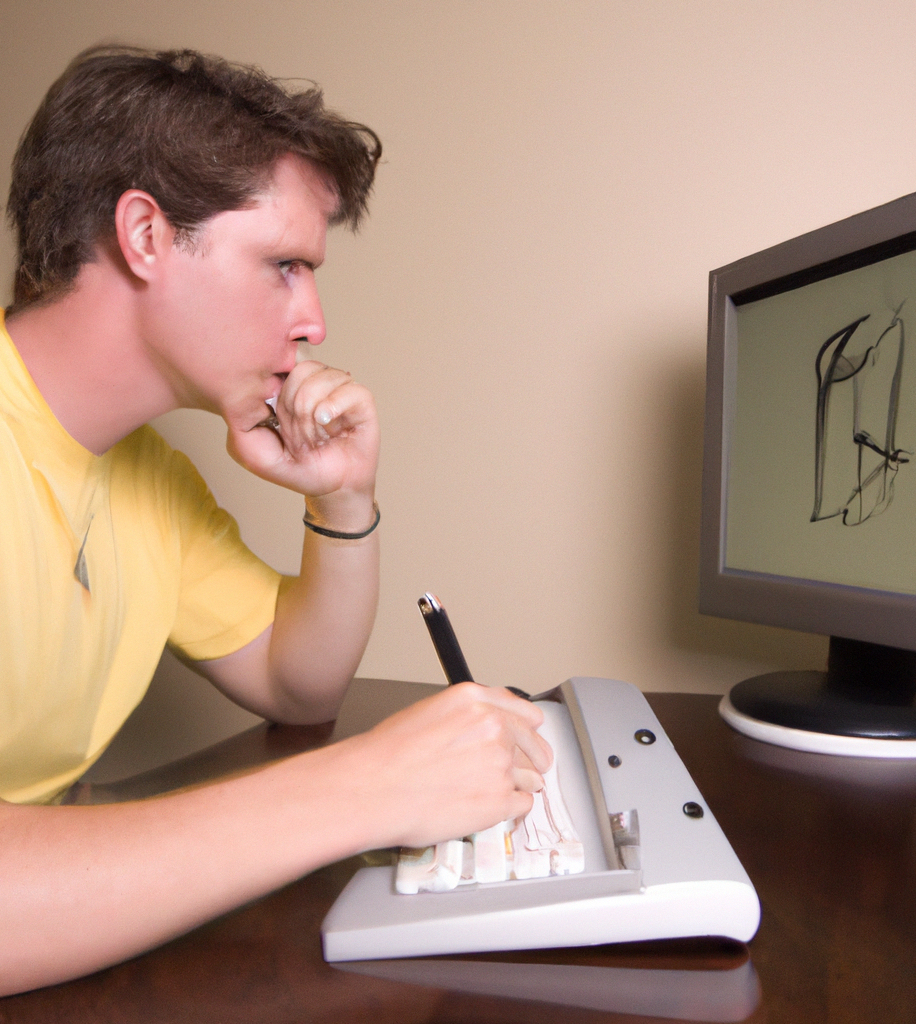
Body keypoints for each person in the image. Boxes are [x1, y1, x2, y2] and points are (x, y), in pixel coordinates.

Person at [0, 45, 551, 995]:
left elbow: (299, 686)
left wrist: (341, 498)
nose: (314, 321)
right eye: (284, 265)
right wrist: (366, 788)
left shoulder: (151, 479)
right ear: (145, 234)